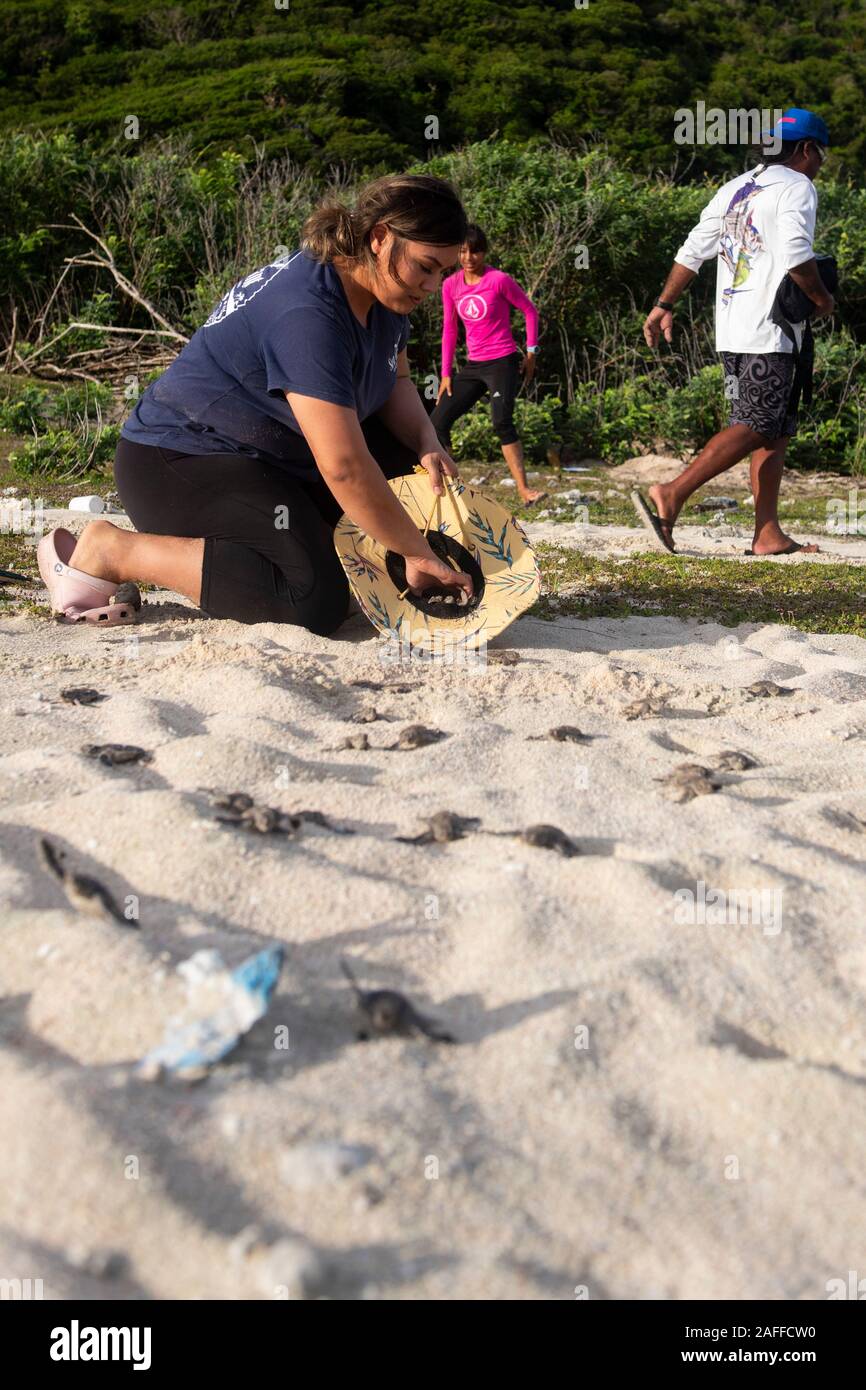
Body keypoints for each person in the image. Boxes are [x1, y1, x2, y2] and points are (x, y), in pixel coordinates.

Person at [44, 174, 474, 633]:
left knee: (410, 456)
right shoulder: (309, 314)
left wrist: (427, 438)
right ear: (380, 237)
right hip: (179, 461)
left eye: (443, 272)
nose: (432, 285)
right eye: (426, 267)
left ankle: (324, 548)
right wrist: (413, 549)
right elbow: (344, 466)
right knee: (312, 602)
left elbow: (397, 377)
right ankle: (113, 550)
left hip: (274, 457)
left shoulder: (386, 293)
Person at [636, 108, 834, 556]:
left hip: (733, 329)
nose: (820, 165)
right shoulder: (797, 186)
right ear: (806, 150)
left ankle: (767, 533)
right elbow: (797, 253)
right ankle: (673, 492)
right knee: (760, 423)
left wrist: (663, 304)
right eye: (821, 154)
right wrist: (822, 300)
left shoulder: (735, 187)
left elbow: (693, 250)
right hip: (773, 328)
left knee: (775, 427)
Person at [429, 225, 545, 505]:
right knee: (437, 421)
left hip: (502, 361)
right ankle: (451, 489)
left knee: (501, 421)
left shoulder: (499, 280)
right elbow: (449, 330)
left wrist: (531, 352)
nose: (469, 257)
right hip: (473, 365)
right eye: (464, 251)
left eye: (475, 251)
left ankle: (524, 491)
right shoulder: (450, 285)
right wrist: (445, 373)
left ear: (484, 252)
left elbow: (529, 311)